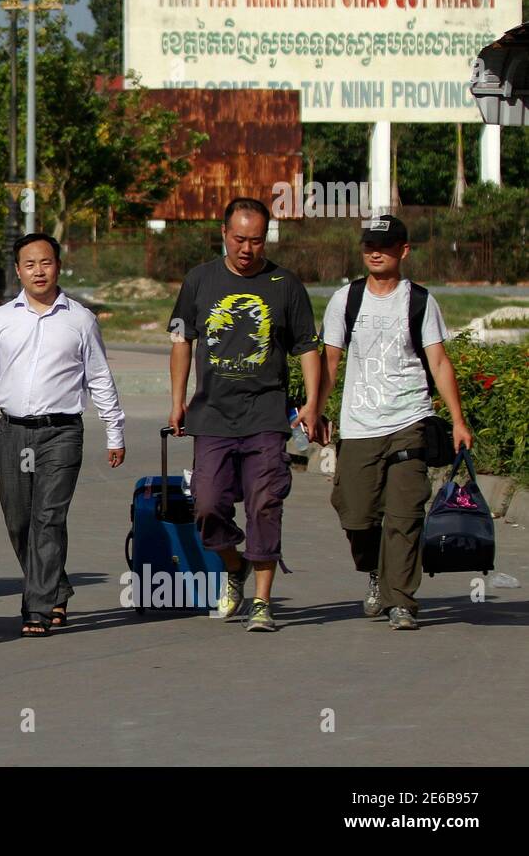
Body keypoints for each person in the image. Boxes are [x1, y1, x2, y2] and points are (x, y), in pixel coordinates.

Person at [0, 233, 126, 638]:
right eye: (30, 264)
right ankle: (56, 587)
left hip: (62, 433)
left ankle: (36, 607)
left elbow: (100, 377)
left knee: (48, 518)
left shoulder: (80, 320)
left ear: (58, 266)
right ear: (18, 270)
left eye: (46, 262)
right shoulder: (1, 320)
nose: (39, 271)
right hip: (14, 434)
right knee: (19, 520)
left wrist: (114, 431)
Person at [167, 197, 323, 631]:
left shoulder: (284, 285)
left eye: (256, 240)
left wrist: (312, 403)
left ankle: (261, 601)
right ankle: (234, 565)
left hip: (267, 415)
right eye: (239, 239)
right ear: (223, 234)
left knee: (265, 503)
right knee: (207, 505)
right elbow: (182, 343)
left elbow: (307, 347)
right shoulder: (199, 280)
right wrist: (178, 399)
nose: (247, 249)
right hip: (213, 415)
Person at [316, 215, 472, 630]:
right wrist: (315, 408)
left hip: (410, 418)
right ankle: (375, 573)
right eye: (369, 243)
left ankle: (401, 599)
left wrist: (457, 419)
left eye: (385, 244)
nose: (375, 251)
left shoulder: (419, 301)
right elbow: (329, 361)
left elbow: (438, 361)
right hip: (359, 425)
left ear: (404, 250)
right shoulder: (345, 300)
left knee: (405, 515)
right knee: (356, 515)